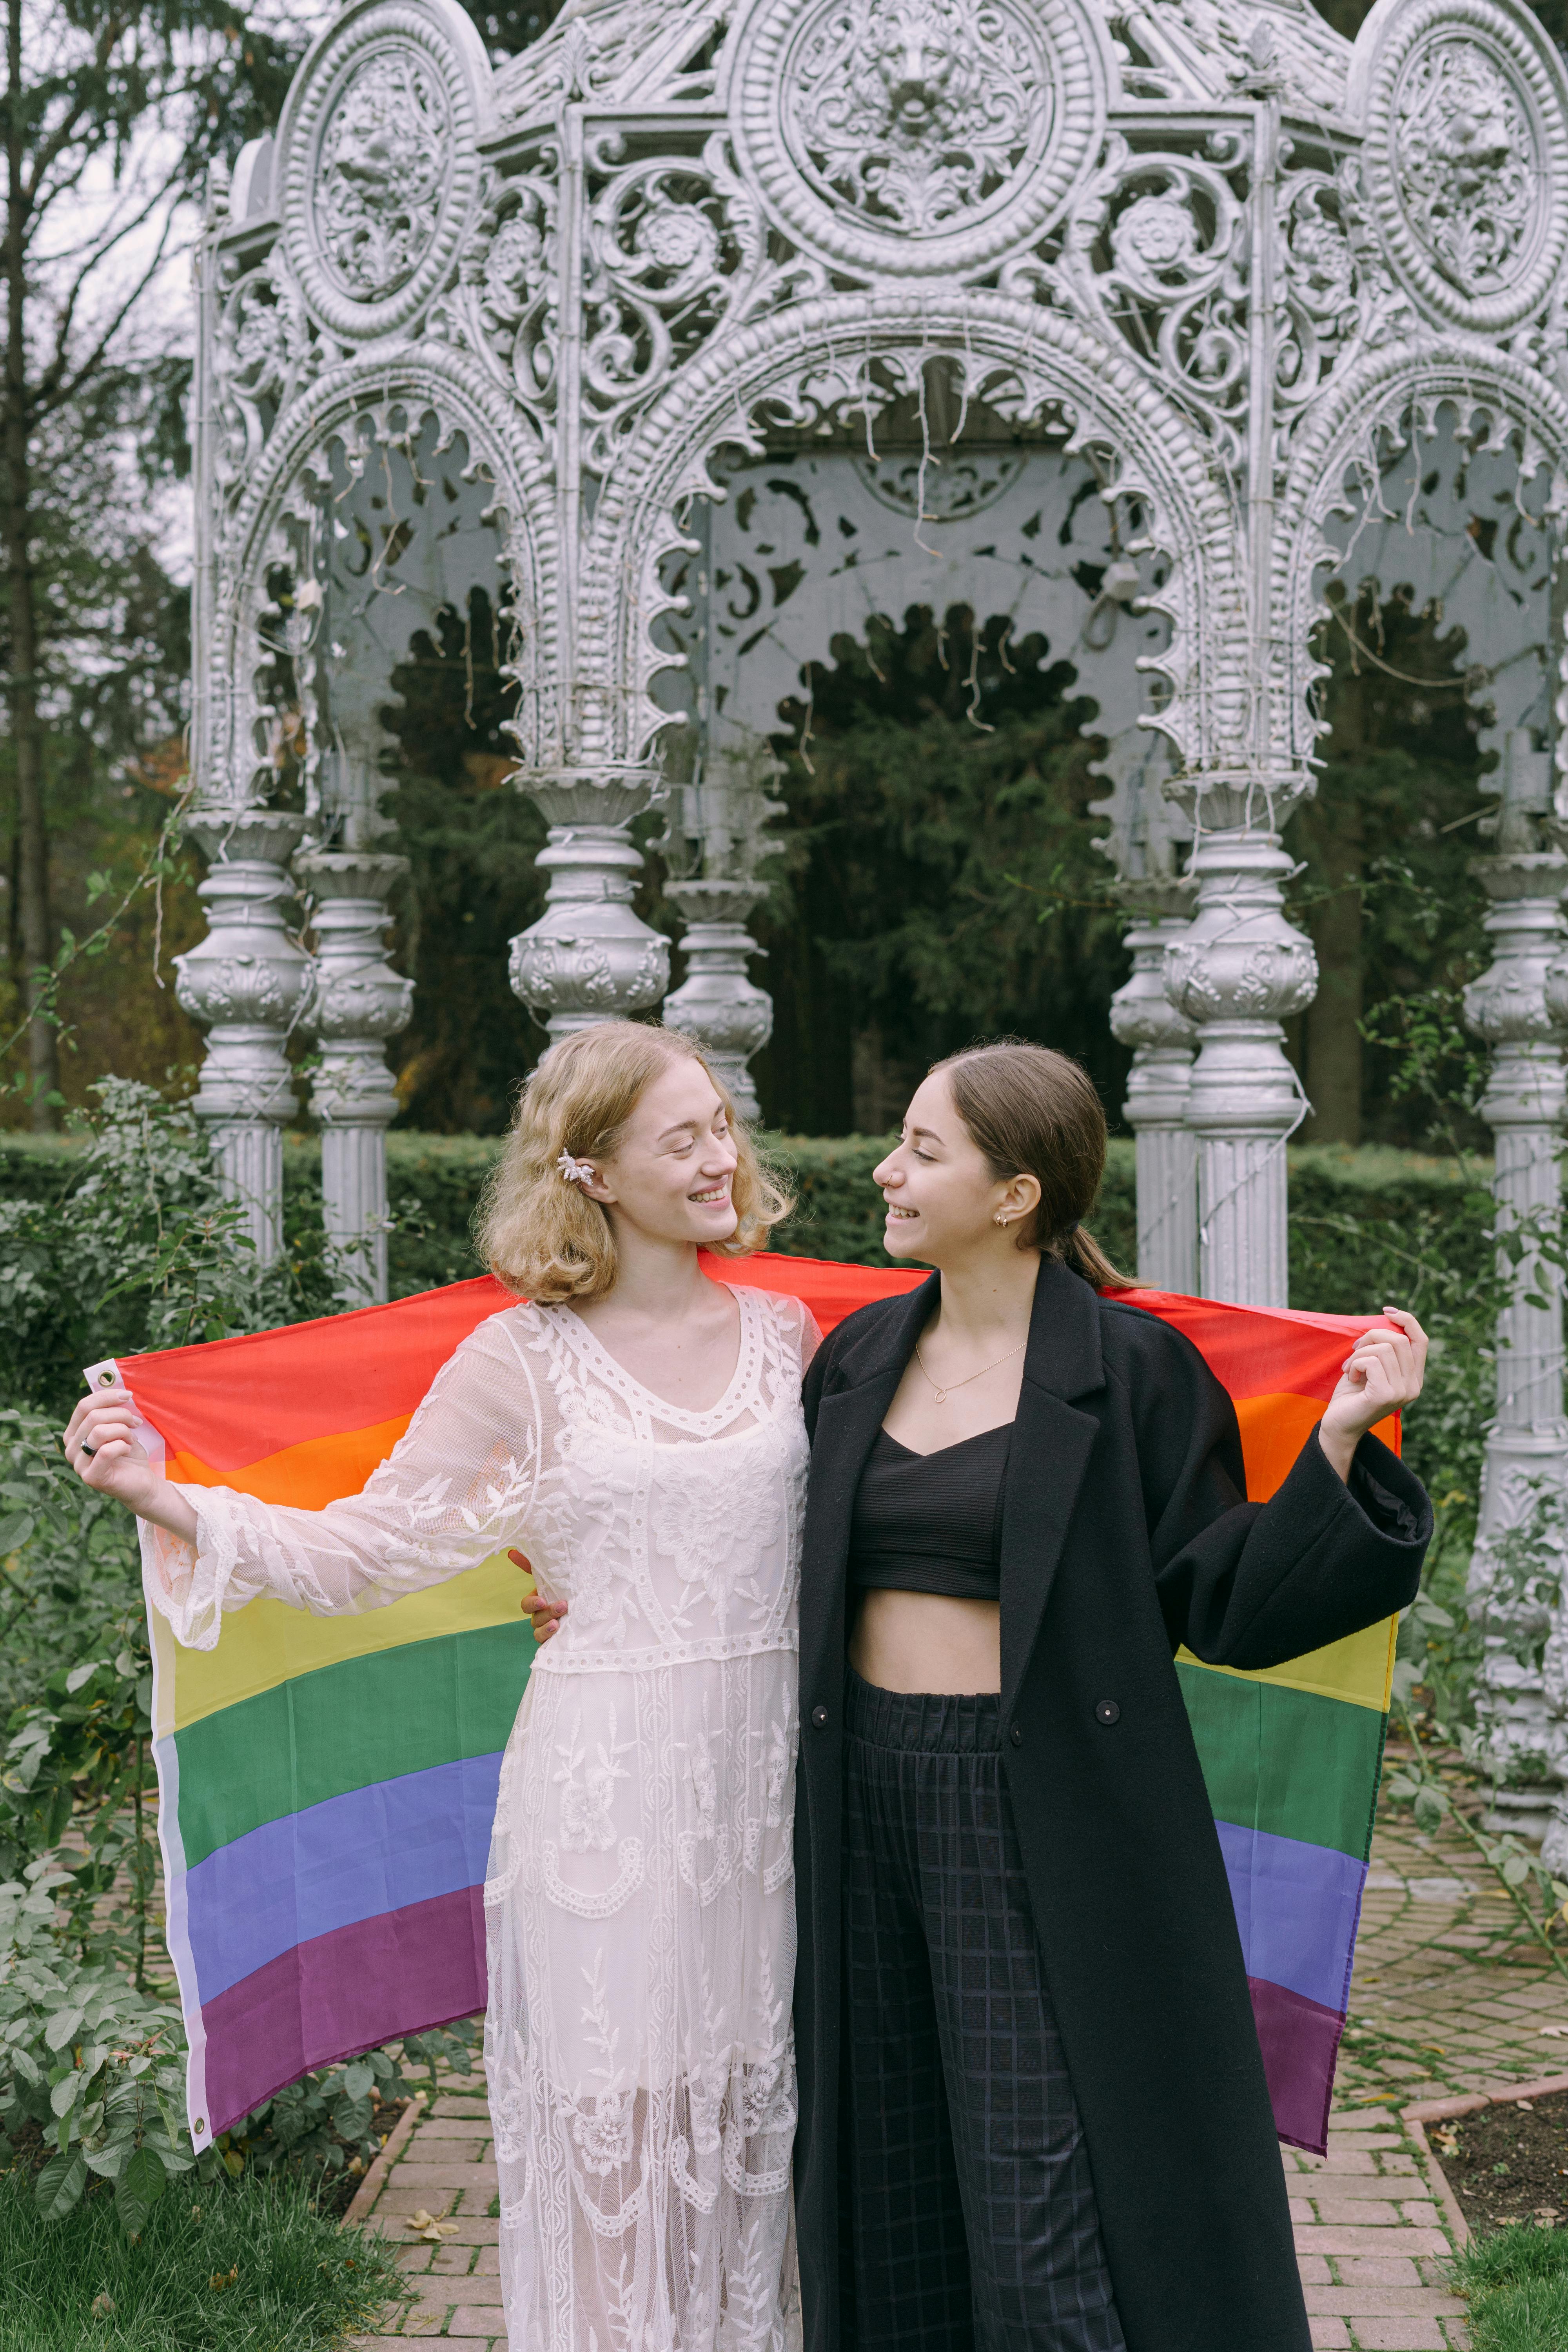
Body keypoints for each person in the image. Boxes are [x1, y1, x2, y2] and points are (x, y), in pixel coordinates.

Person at [64, 1022, 819, 2352]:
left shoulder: (789, 1334)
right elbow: (372, 1549)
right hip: (606, 1793)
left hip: (770, 1786)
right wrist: (161, 1494)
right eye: (682, 1136)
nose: (722, 1158)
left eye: (722, 1124)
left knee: (756, 2113)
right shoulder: (518, 1361)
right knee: (616, 2131)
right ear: (590, 1170)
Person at [790, 1041, 1432, 2352]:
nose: (887, 1170)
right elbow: (772, 1567)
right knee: (889, 2166)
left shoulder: (1131, 1372)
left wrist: (1337, 1447)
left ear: (1015, 1193)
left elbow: (1224, 1600)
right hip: (856, 1799)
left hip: (1037, 1811)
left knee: (1035, 2187)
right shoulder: (854, 1358)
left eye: (922, 1148)